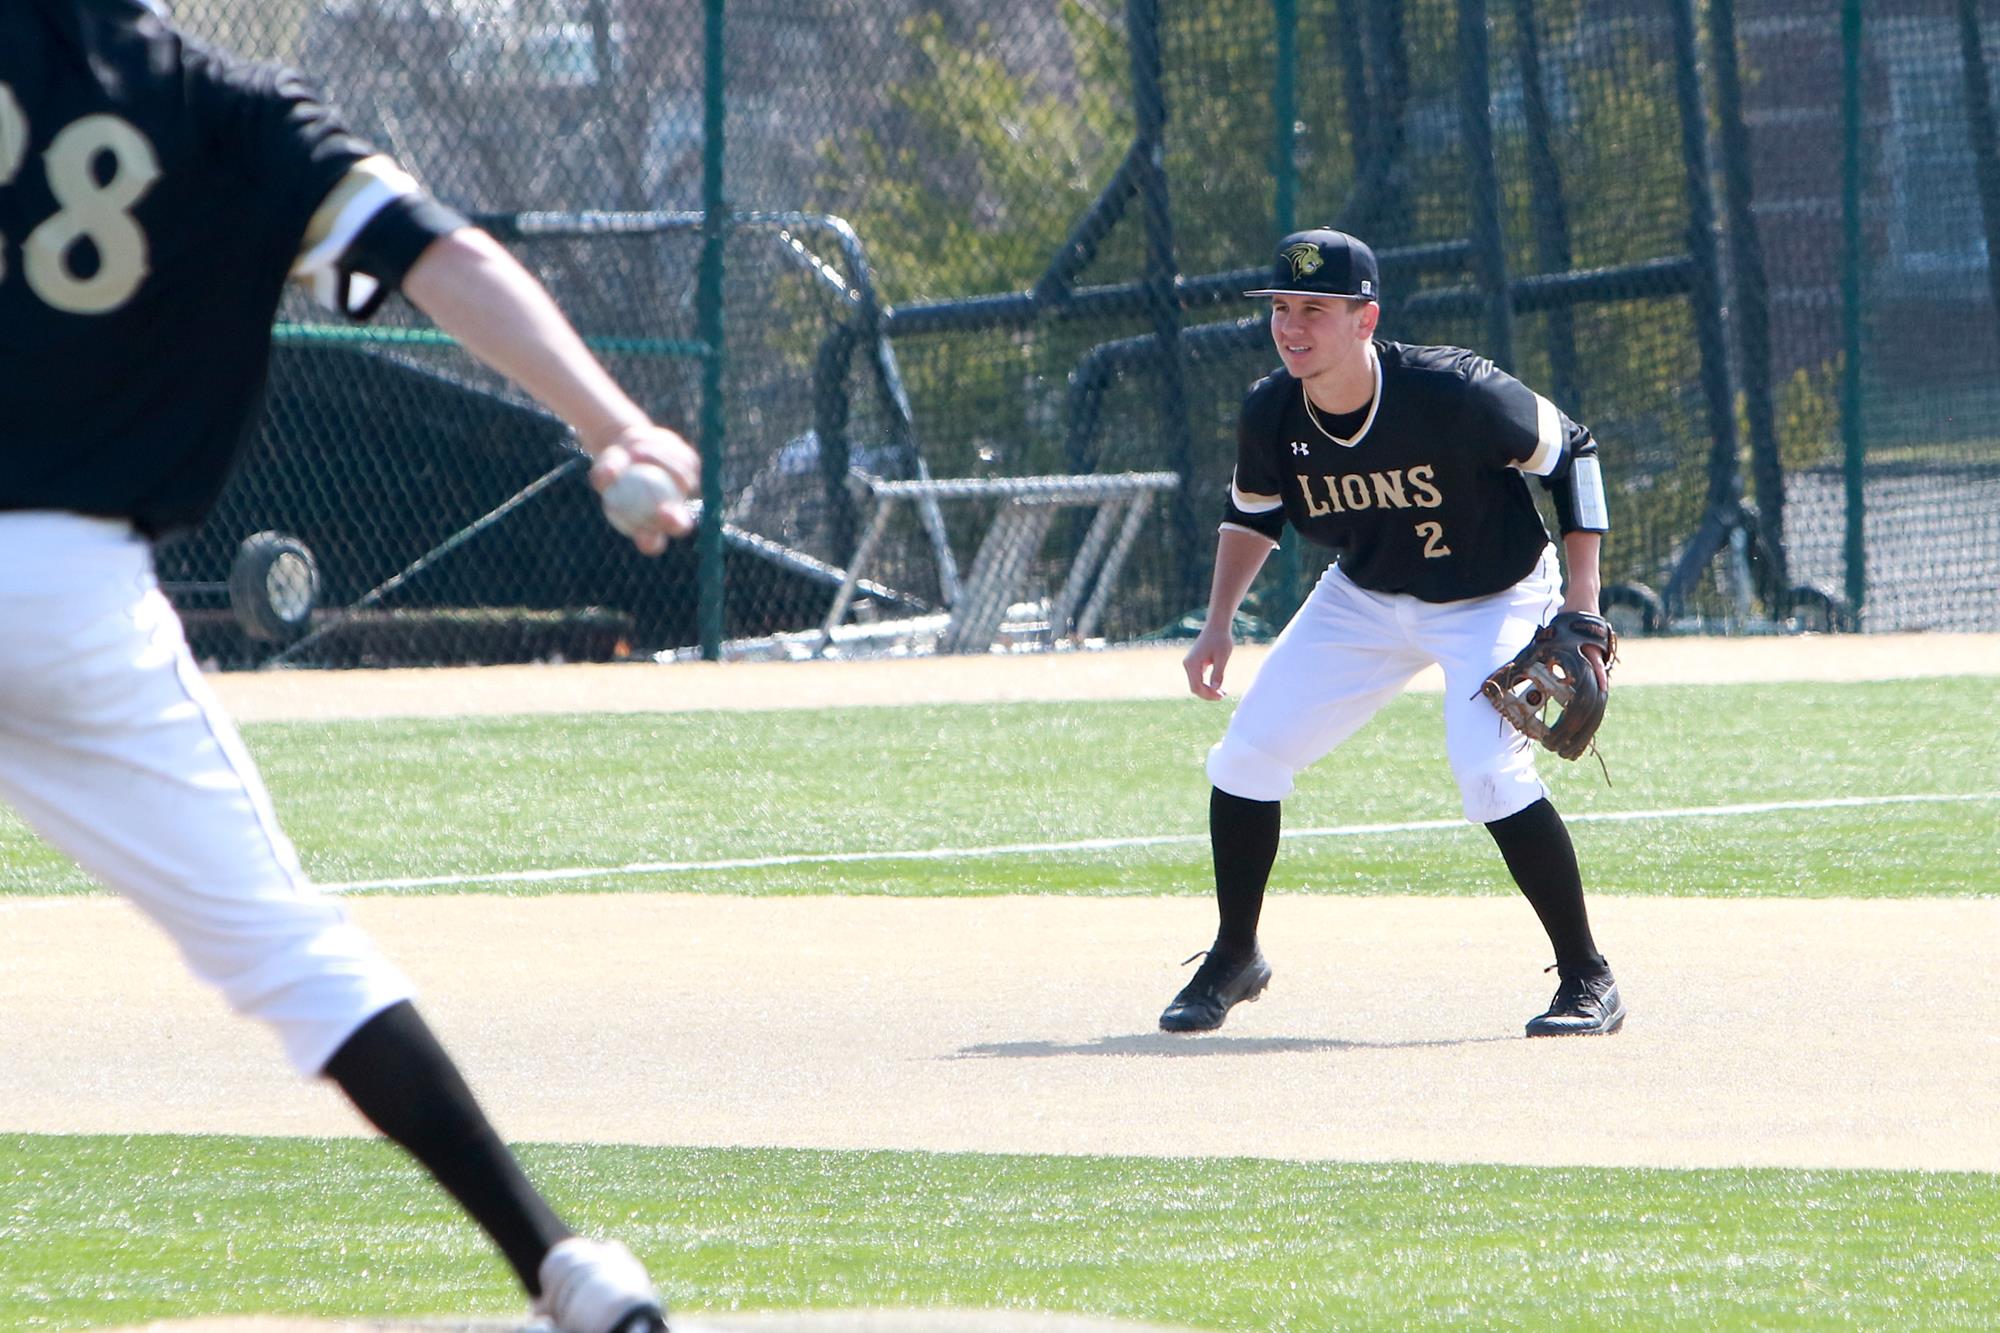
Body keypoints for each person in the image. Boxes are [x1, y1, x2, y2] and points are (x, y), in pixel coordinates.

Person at [1, 2, 697, 1329]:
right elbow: (440, 255)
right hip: (68, 589)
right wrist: (616, 425)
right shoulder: (220, 107)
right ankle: (566, 1269)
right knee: (289, 952)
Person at [1161, 227, 1624, 1040]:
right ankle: (1235, 956)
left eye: (1314, 308)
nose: (1291, 326)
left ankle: (1589, 975)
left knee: (1487, 771)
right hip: (1366, 596)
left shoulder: (1454, 391)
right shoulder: (1272, 410)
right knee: (1246, 756)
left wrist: (1581, 608)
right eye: (1280, 307)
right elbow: (1252, 514)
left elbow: (1573, 454)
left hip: (1493, 594)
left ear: (1365, 319)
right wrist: (1218, 624)